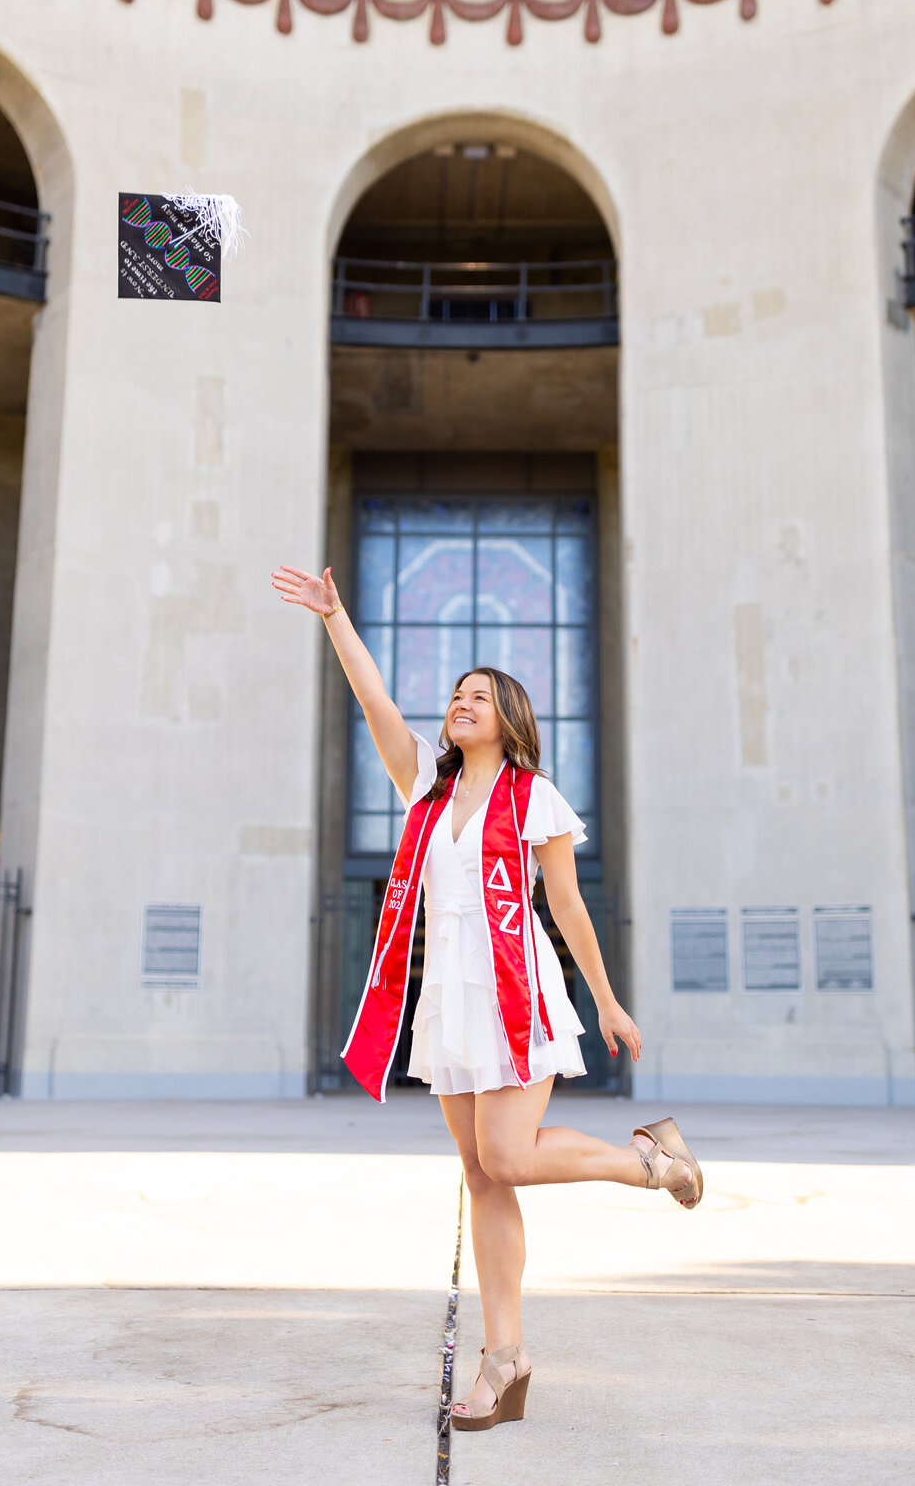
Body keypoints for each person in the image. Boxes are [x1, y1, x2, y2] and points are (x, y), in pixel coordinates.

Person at [271, 562, 703, 1433]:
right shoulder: (423, 794)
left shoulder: (532, 796)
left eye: (479, 695)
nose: (460, 703)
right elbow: (375, 703)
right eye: (456, 695)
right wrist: (334, 619)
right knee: (481, 1178)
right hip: (451, 1002)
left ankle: (651, 1160)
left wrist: (609, 1002)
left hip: (519, 993)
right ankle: (504, 1357)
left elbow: (568, 907)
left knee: (505, 1158)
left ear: (509, 720)